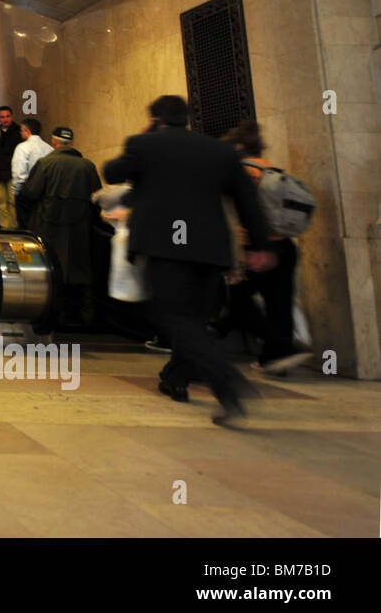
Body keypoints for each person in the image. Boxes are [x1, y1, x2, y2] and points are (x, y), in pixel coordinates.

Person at [103, 95, 273, 426]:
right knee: (193, 319)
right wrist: (259, 245)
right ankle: (176, 377)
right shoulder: (221, 151)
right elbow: (247, 201)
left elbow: (112, 172)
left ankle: (227, 381)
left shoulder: (144, 144)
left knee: (175, 318)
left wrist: (144, 138)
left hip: (166, 248)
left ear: (155, 119)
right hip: (210, 250)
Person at [222, 121, 312, 375]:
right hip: (285, 248)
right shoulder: (274, 170)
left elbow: (242, 215)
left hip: (255, 249)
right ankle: (275, 362)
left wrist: (240, 255)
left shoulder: (242, 174)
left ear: (238, 147)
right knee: (279, 306)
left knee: (239, 302)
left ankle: (284, 348)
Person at [16, 126, 102, 332]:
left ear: (54, 142)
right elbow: (97, 196)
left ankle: (54, 315)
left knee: (50, 270)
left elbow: (29, 193)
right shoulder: (87, 165)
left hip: (48, 225)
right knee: (82, 268)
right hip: (80, 227)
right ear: (71, 143)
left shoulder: (46, 163)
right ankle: (87, 315)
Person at [11, 116, 53, 228]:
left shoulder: (22, 147)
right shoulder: (49, 148)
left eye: (21, 130)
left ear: (27, 131)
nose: (20, 133)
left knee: (26, 226)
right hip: (46, 192)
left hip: (27, 191)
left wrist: (16, 191)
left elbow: (19, 173)